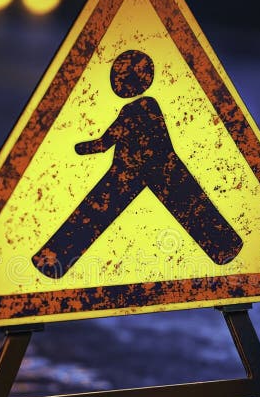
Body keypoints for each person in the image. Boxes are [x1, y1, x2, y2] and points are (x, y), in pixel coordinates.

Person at [33, 49, 243, 278]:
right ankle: (226, 248)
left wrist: (77, 147)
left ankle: (52, 262)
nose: (115, 82)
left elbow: (104, 143)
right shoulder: (150, 105)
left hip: (130, 172)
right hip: (162, 167)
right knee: (192, 206)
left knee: (92, 214)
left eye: (118, 77)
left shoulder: (133, 109)